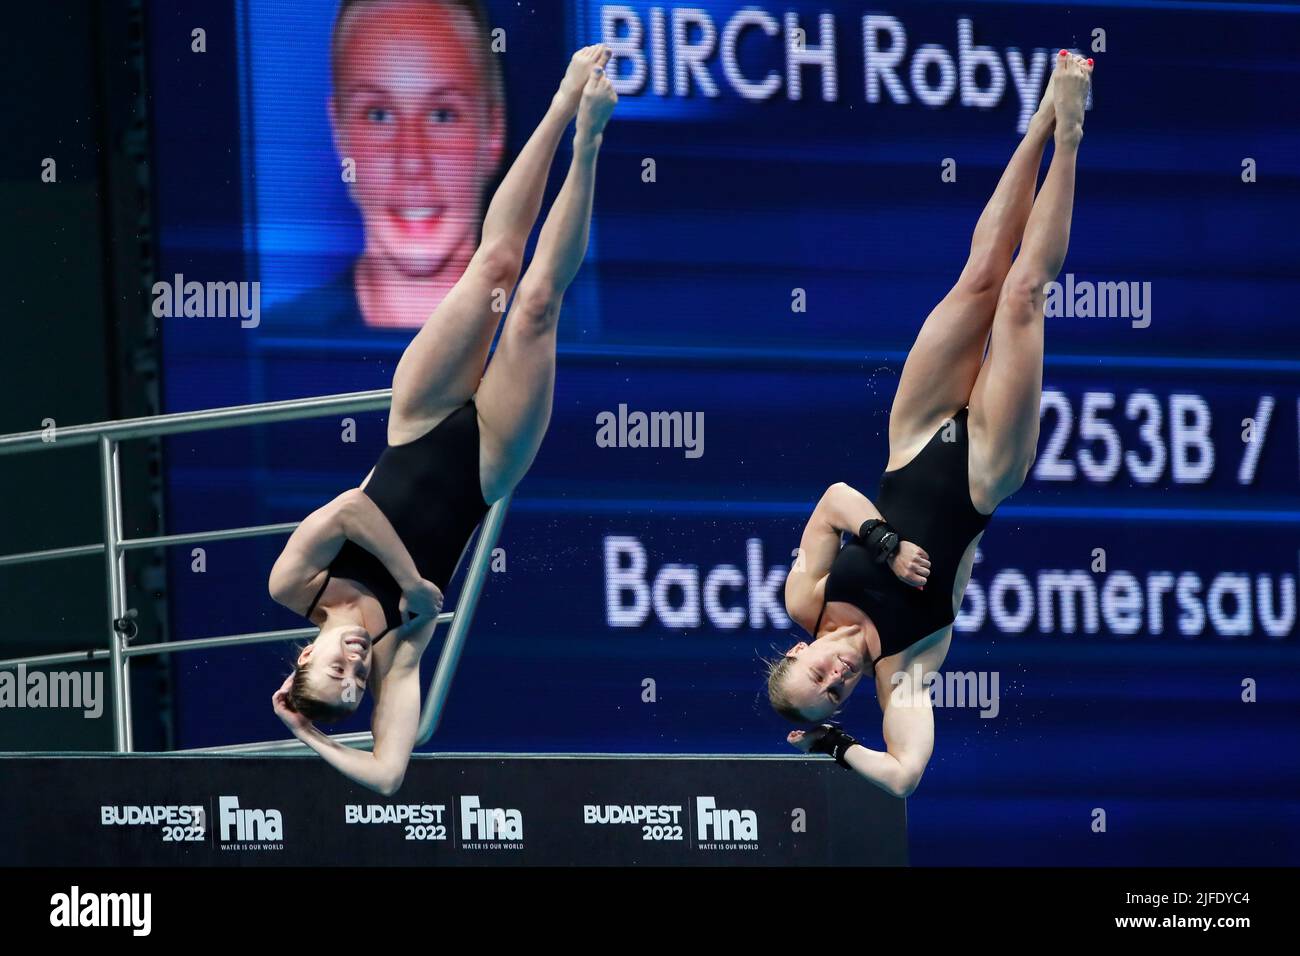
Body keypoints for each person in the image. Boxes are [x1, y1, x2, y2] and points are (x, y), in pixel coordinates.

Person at [266, 46, 616, 795]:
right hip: (489, 462)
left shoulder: (293, 584)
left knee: (492, 268)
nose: (357, 665)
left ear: (303, 656)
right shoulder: (398, 649)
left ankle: (558, 101)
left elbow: (355, 507)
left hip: (417, 423)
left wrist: (410, 583)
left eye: (337, 669)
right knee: (535, 306)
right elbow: (388, 774)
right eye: (356, 683)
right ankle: (588, 137)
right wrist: (306, 731)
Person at [770, 52, 1094, 798]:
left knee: (980, 273)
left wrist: (881, 542)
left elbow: (833, 500)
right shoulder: (903, 672)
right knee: (1021, 297)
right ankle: (1070, 136)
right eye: (838, 694)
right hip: (984, 472)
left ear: (797, 650)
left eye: (821, 674)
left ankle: (1042, 113)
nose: (841, 674)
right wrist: (836, 745)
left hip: (912, 437)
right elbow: (906, 773)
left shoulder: (805, 600)